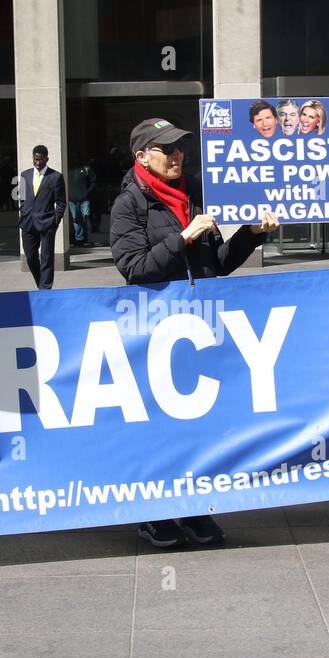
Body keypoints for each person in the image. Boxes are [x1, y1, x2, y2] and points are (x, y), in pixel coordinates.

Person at [109, 116, 278, 549]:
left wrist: (251, 235)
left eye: (179, 147)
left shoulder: (192, 195)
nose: (176, 155)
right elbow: (134, 267)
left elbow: (215, 263)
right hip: (157, 331)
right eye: (166, 149)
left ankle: (195, 508)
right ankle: (157, 515)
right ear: (141, 156)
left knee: (199, 426)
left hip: (202, 327)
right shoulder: (130, 204)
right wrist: (182, 238)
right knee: (162, 429)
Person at [18, 144, 66, 289]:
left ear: (47, 159)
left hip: (47, 222)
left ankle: (45, 289)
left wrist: (55, 222)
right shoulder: (24, 175)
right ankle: (41, 282)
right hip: (28, 222)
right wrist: (23, 211)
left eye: (41, 159)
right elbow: (21, 198)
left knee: (46, 258)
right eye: (35, 159)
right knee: (31, 256)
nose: (38, 162)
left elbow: (61, 202)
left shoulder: (56, 177)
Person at [67, 160, 95, 245]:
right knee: (75, 218)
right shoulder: (67, 169)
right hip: (71, 199)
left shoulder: (86, 169)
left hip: (84, 198)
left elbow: (93, 180)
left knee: (85, 216)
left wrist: (87, 191)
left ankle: (83, 236)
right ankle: (79, 238)